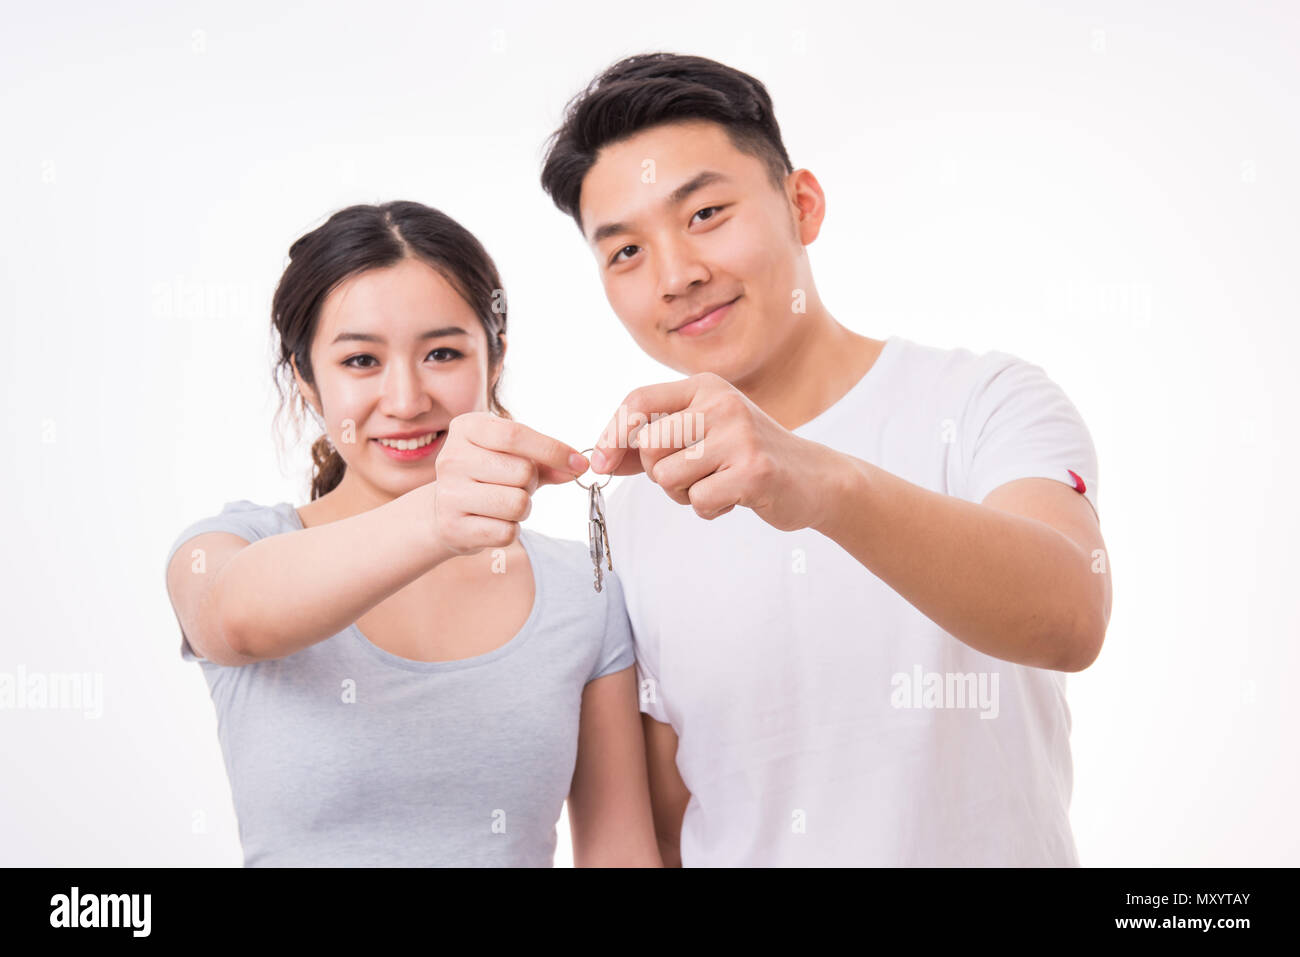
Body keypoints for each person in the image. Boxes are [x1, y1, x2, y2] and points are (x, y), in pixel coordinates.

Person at [539, 53, 1113, 866]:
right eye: (625, 252)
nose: (677, 275)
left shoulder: (984, 402)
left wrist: (817, 479)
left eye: (704, 213)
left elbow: (1070, 614)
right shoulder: (631, 516)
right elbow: (665, 826)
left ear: (801, 204)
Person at [163, 200, 660, 867]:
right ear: (307, 381)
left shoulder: (583, 591)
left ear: (494, 359)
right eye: (361, 361)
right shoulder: (229, 548)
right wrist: (437, 519)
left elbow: (620, 854)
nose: (405, 399)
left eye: (443, 353)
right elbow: (234, 620)